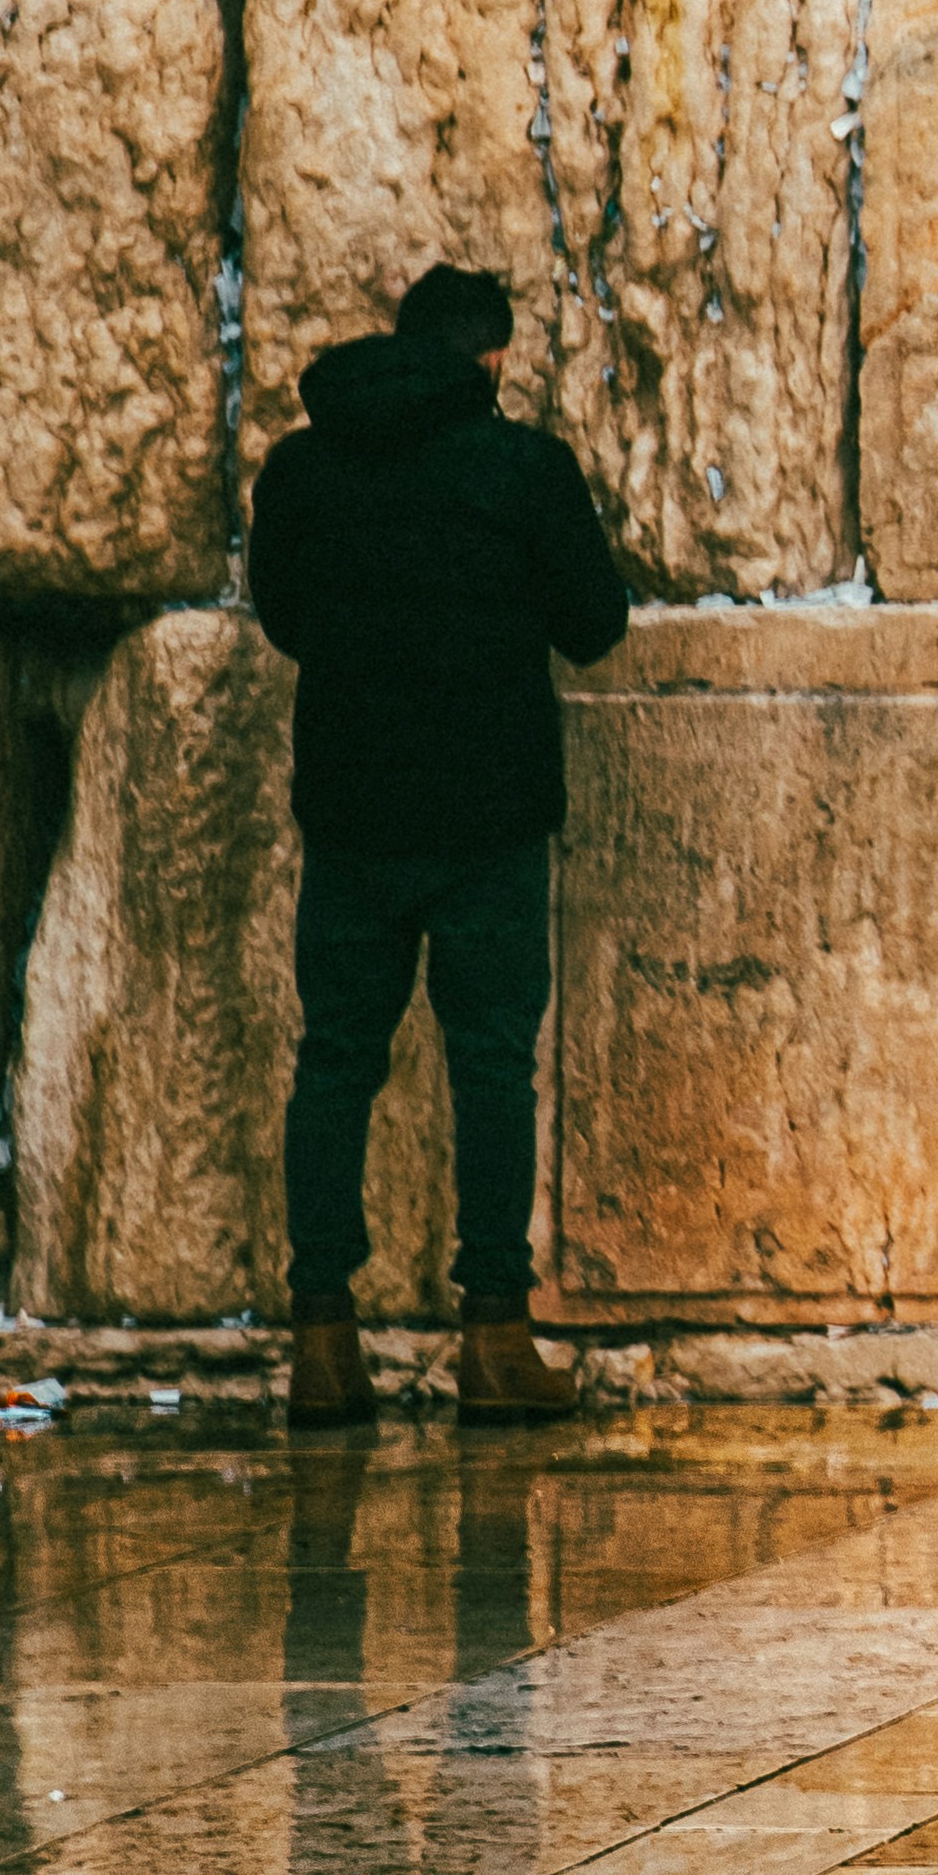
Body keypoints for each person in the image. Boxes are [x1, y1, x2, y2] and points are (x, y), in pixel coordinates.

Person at [243, 264, 632, 1428]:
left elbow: (285, 618)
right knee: (490, 1065)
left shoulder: (304, 466)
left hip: (354, 813)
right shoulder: (523, 468)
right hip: (488, 820)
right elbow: (595, 624)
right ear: (493, 359)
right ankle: (495, 1338)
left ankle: (322, 1338)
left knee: (336, 1060)